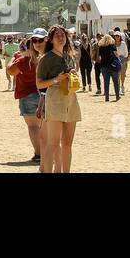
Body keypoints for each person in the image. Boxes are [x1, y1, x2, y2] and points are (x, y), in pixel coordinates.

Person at [36, 25, 81, 173]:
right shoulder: (46, 58)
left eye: (63, 34)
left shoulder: (69, 56)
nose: (61, 37)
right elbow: (39, 83)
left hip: (70, 98)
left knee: (67, 143)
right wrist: (57, 79)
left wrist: (73, 74)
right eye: (57, 35)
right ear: (51, 39)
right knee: (53, 144)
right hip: (55, 98)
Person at [7, 30, 45, 163]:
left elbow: (11, 71)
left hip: (27, 95)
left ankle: (39, 154)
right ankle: (46, 152)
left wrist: (13, 58)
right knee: (43, 126)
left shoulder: (24, 60)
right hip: (43, 95)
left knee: (33, 127)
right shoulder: (43, 59)